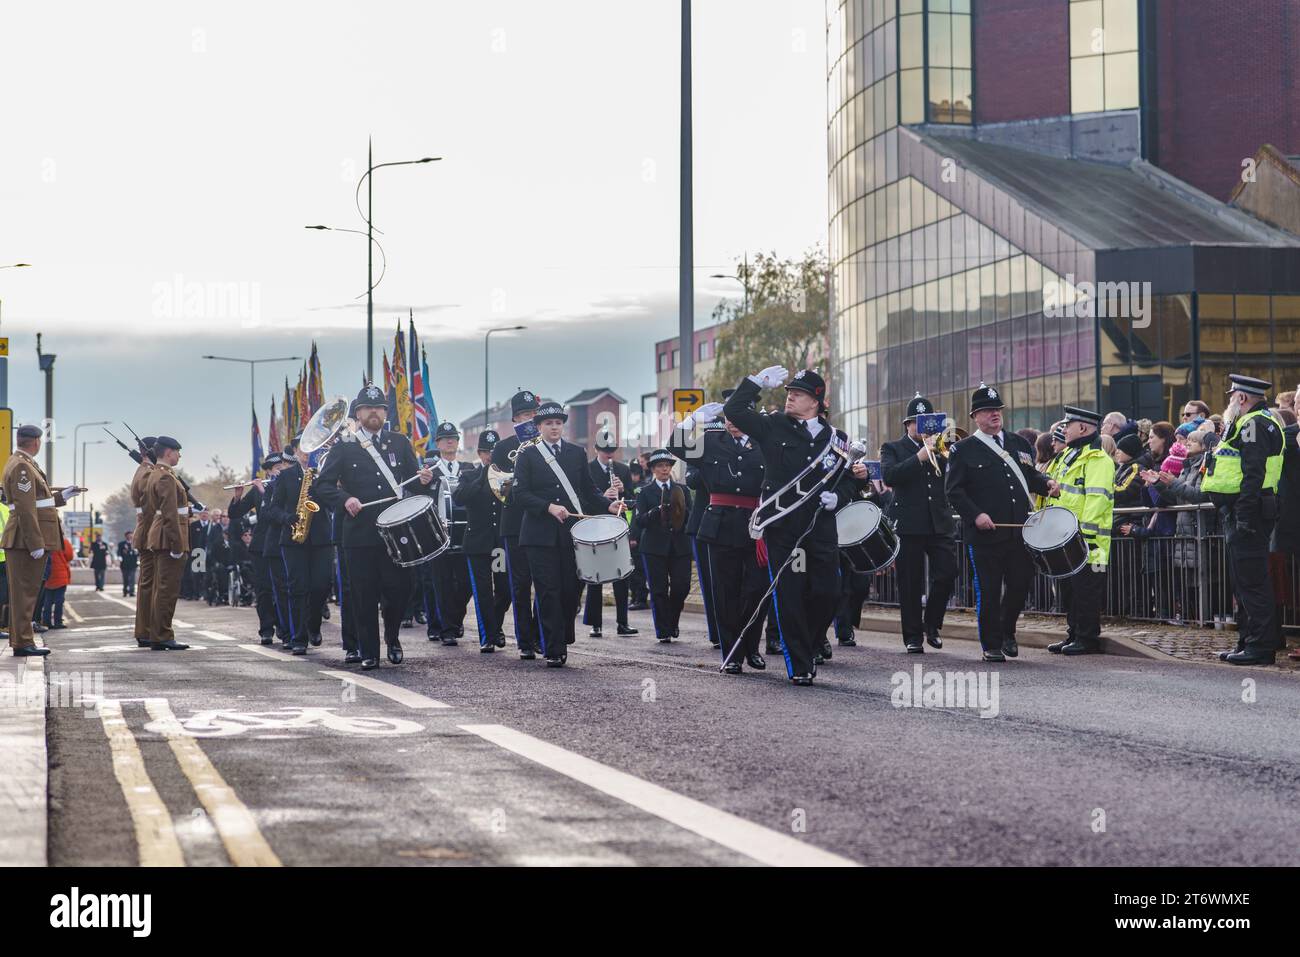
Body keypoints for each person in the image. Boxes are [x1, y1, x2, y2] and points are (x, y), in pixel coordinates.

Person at [724, 367, 854, 686]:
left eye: (798, 393)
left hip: (820, 526)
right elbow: (734, 411)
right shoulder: (772, 426)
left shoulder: (837, 440)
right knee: (789, 591)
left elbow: (847, 480)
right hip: (783, 525)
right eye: (788, 392)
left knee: (829, 591)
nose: (790, 397)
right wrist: (754, 382)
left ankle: (808, 643)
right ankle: (799, 662)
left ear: (816, 401)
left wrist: (837, 496)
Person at [313, 385, 435, 670]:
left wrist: (425, 479)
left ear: (385, 412)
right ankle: (370, 651)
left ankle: (392, 636)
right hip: (360, 534)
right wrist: (345, 500)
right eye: (368, 409)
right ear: (358, 414)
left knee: (400, 589)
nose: (374, 413)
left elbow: (411, 484)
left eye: (379, 408)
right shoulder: (345, 446)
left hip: (396, 533)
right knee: (363, 595)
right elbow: (323, 486)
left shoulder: (399, 442)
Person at [944, 384, 1055, 662]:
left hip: (1019, 532)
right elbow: (954, 491)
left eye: (997, 410)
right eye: (988, 411)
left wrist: (1047, 484)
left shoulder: (1019, 443)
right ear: (975, 416)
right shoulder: (963, 449)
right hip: (984, 535)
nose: (995, 414)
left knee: (1021, 584)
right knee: (989, 590)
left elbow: (1029, 476)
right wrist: (976, 514)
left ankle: (1007, 630)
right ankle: (991, 644)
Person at [510, 400, 623, 667]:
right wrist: (547, 506)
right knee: (548, 591)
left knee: (571, 591)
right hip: (539, 536)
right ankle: (554, 648)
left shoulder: (575, 453)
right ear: (538, 427)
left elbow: (587, 489)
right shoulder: (528, 455)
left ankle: (560, 635)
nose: (554, 428)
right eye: (548, 423)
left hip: (571, 534)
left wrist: (607, 504)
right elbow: (520, 494)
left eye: (558, 423)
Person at [670, 394, 767, 673]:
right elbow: (675, 445)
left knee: (756, 590)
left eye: (738, 418)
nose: (733, 423)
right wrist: (693, 420)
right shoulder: (712, 442)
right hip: (720, 524)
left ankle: (751, 645)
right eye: (728, 418)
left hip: (755, 525)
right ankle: (732, 652)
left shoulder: (765, 445)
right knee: (725, 592)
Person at [1204, 374, 1286, 665]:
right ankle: (1248, 641)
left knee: (1252, 583)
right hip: (1245, 510)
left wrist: (1244, 515)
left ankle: (1260, 648)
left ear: (1241, 398)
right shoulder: (1252, 422)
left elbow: (1254, 474)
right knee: (1244, 583)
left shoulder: (1253, 424)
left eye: (1231, 396)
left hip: (1249, 512)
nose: (1229, 401)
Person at [879, 393, 958, 653]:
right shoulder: (892, 448)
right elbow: (890, 476)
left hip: (939, 522)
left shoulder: (943, 446)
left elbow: (955, 474)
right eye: (916, 422)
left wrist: (945, 449)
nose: (922, 428)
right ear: (908, 425)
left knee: (947, 572)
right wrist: (920, 457)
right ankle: (913, 636)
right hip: (909, 524)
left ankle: (932, 623)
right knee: (910, 582)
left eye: (928, 423)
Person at [1, 425, 79, 657]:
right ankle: (23, 642)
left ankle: (22, 640)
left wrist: (60, 498)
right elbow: (25, 508)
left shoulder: (21, 463)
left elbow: (35, 503)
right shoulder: (23, 466)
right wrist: (35, 543)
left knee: (25, 593)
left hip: (23, 539)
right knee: (25, 593)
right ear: (36, 442)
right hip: (25, 541)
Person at [1044, 407, 1114, 656]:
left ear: (1083, 428)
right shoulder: (1068, 456)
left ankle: (1087, 638)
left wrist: (1086, 538)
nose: (1064, 429)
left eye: (1068, 425)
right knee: (1070, 591)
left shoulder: (1098, 460)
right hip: (1065, 539)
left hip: (1089, 542)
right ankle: (1073, 634)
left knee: (1087, 591)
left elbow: (1097, 500)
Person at [263, 436, 335, 655]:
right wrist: (287, 517)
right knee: (297, 588)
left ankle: (313, 623)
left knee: (321, 585)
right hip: (293, 540)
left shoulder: (325, 474)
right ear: (295, 451)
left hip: (321, 538)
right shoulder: (285, 477)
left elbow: (334, 502)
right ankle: (299, 638)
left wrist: (321, 493)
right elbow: (272, 510)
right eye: (302, 448)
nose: (307, 451)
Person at [490, 389, 543, 659]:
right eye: (524, 415)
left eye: (534, 414)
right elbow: (499, 488)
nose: (530, 419)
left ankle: (538, 635)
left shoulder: (548, 443)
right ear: (515, 419)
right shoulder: (503, 447)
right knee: (520, 584)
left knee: (544, 583)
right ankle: (524, 640)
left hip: (543, 521)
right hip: (514, 523)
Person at [453, 428, 511, 652]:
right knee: (483, 591)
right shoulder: (469, 474)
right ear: (479, 453)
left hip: (499, 544)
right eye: (486, 452)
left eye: (494, 452)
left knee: (504, 589)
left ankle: (495, 625)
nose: (490, 456)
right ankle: (487, 636)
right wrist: (482, 475)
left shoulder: (506, 476)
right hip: (478, 542)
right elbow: (460, 497)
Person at [229, 453, 290, 646]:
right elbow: (235, 514)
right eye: (277, 469)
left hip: (283, 544)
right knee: (263, 589)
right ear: (269, 471)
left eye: (283, 467)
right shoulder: (257, 490)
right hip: (261, 546)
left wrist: (265, 492)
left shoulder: (287, 486)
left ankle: (285, 627)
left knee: (283, 588)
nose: (281, 471)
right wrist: (238, 496)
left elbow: (274, 511)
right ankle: (266, 629)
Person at [635, 449, 693, 644]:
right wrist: (655, 512)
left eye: (667, 465)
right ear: (653, 469)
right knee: (658, 590)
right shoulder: (644, 492)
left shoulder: (682, 490)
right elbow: (639, 521)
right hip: (654, 547)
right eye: (660, 466)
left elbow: (690, 517)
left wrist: (681, 516)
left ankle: (672, 620)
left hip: (680, 546)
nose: (664, 469)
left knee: (681, 586)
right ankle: (663, 630)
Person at [583, 431, 636, 637]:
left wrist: (624, 493)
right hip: (596, 525)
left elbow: (632, 501)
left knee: (621, 574)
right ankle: (596, 623)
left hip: (617, 526)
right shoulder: (587, 469)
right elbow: (582, 499)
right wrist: (604, 498)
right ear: (596, 450)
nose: (609, 455)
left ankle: (622, 623)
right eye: (605, 451)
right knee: (596, 575)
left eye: (612, 451)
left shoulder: (622, 469)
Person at [424, 421, 472, 645]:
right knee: (440, 582)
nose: (449, 441)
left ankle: (454, 619)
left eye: (453, 438)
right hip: (436, 536)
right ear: (438, 443)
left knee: (464, 583)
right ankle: (446, 629)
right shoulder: (429, 471)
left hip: (463, 534)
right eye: (444, 438)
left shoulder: (470, 470)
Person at [143, 436, 192, 651]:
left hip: (162, 534)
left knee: (163, 588)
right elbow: (170, 515)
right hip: (167, 536)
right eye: (177, 452)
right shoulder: (165, 477)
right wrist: (176, 545)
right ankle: (162, 635)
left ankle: (159, 633)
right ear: (168, 453)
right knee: (167, 589)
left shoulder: (159, 474)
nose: (179, 455)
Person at [40, 536, 75, 629]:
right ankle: (57, 621)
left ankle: (46, 621)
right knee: (59, 600)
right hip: (61, 575)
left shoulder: (45, 541)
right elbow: (70, 556)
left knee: (48, 600)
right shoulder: (63, 542)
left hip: (48, 575)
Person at [117, 531, 139, 597]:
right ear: (126, 536)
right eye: (129, 535)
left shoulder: (135, 544)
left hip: (133, 564)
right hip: (124, 564)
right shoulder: (121, 544)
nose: (130, 537)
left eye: (131, 535)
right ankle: (125, 591)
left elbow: (138, 554)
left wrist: (137, 554)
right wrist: (120, 558)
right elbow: (119, 552)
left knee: (132, 578)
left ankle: (131, 591)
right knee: (125, 578)